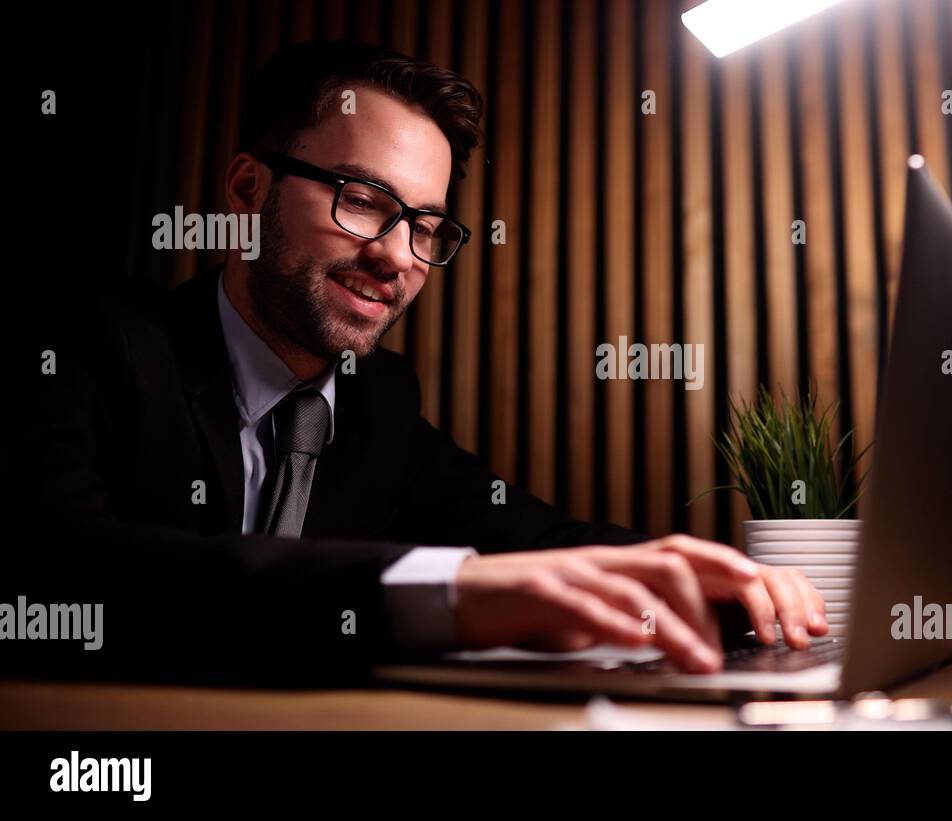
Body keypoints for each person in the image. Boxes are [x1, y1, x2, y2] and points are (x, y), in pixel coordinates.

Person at [18, 41, 825, 679]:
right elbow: (58, 572)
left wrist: (696, 581)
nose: (397, 255)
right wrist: (438, 589)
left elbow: (533, 542)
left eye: (427, 225)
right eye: (363, 200)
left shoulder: (377, 404)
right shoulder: (91, 341)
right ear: (246, 188)